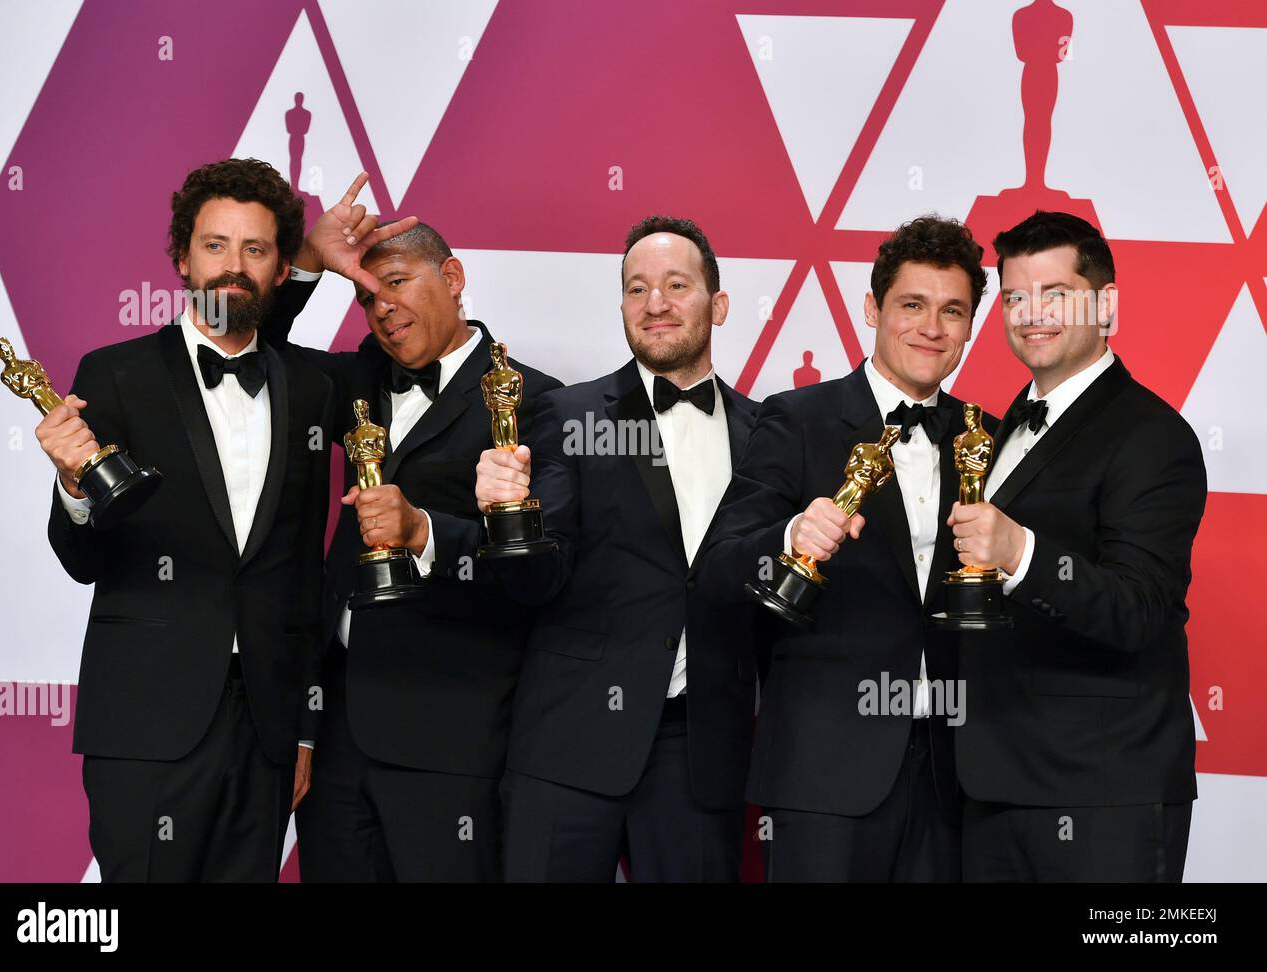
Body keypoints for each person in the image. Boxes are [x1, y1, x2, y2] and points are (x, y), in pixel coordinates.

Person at [37, 157, 336, 881]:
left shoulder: (312, 386)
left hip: (264, 729)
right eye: (215, 245)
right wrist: (74, 485)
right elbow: (81, 559)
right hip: (144, 723)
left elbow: (302, 572)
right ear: (182, 257)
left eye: (255, 249)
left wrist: (303, 728)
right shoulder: (113, 375)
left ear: (277, 269)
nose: (234, 267)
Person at [263, 176, 561, 881]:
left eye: (395, 282)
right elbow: (253, 348)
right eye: (366, 297)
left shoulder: (537, 401)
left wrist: (425, 530)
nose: (382, 310)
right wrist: (308, 259)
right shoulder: (354, 380)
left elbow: (537, 574)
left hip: (453, 740)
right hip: (335, 737)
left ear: (453, 277)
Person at [700, 215, 995, 881]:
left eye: (953, 311)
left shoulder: (987, 439)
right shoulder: (797, 419)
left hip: (955, 779)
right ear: (872, 308)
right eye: (912, 305)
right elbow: (718, 566)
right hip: (823, 776)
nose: (932, 328)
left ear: (971, 326)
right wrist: (788, 537)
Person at [475, 215, 759, 881]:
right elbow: (535, 580)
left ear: (717, 303)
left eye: (675, 285)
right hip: (569, 746)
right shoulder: (571, 417)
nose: (655, 304)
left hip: (700, 755)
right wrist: (507, 520)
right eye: (637, 289)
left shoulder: (764, 433)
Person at [947, 210, 1206, 882]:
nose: (1032, 314)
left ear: (1106, 305)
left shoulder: (1155, 437)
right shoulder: (1002, 430)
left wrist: (1020, 553)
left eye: (1055, 294)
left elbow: (1140, 608)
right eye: (1014, 297)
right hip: (992, 786)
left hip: (1105, 796)